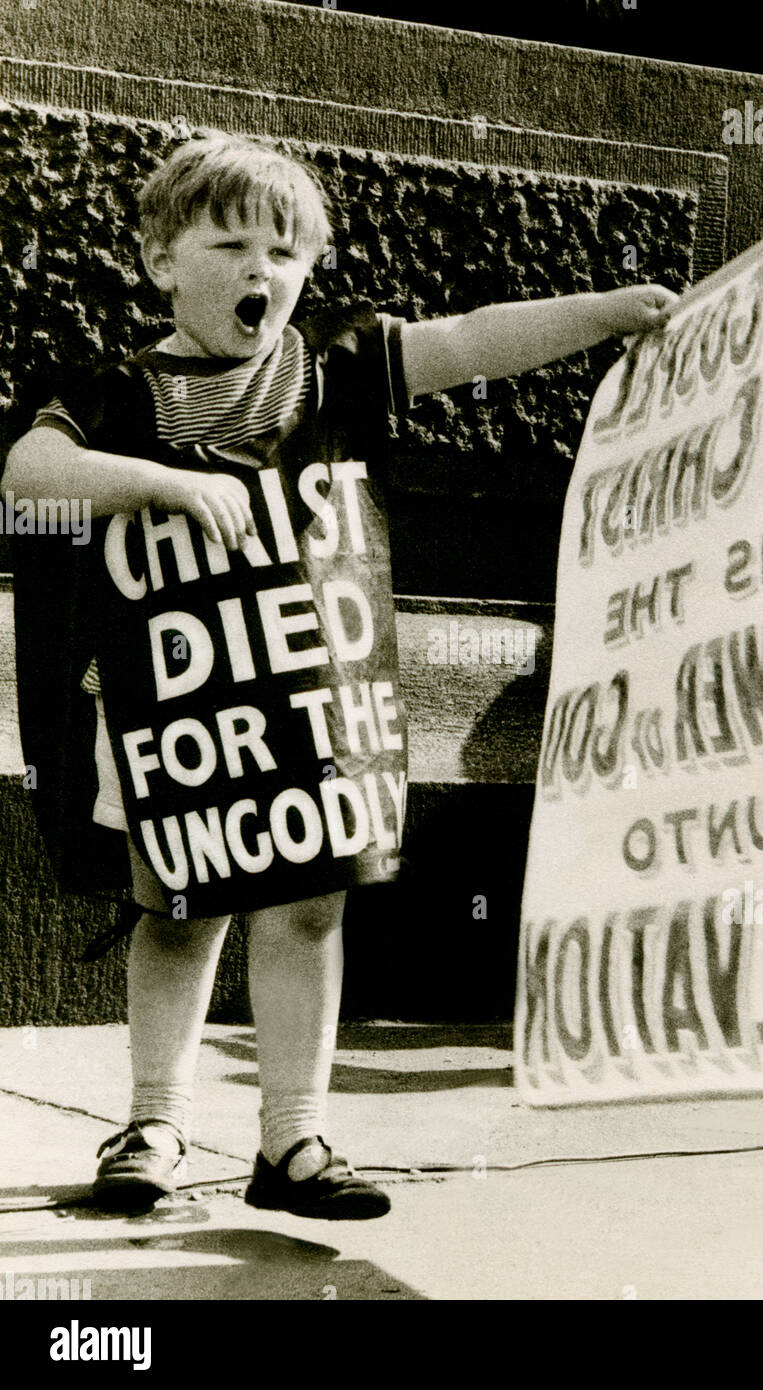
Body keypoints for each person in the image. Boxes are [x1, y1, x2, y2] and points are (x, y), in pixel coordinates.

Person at [2, 135, 676, 1219]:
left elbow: (469, 340)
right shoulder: (114, 394)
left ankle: (292, 1135)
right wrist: (159, 487)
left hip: (308, 702)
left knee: (310, 906)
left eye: (284, 251)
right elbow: (28, 473)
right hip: (176, 713)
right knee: (175, 909)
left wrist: (604, 311)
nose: (261, 270)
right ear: (162, 260)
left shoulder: (333, 366)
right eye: (229, 244)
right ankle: (152, 1120)